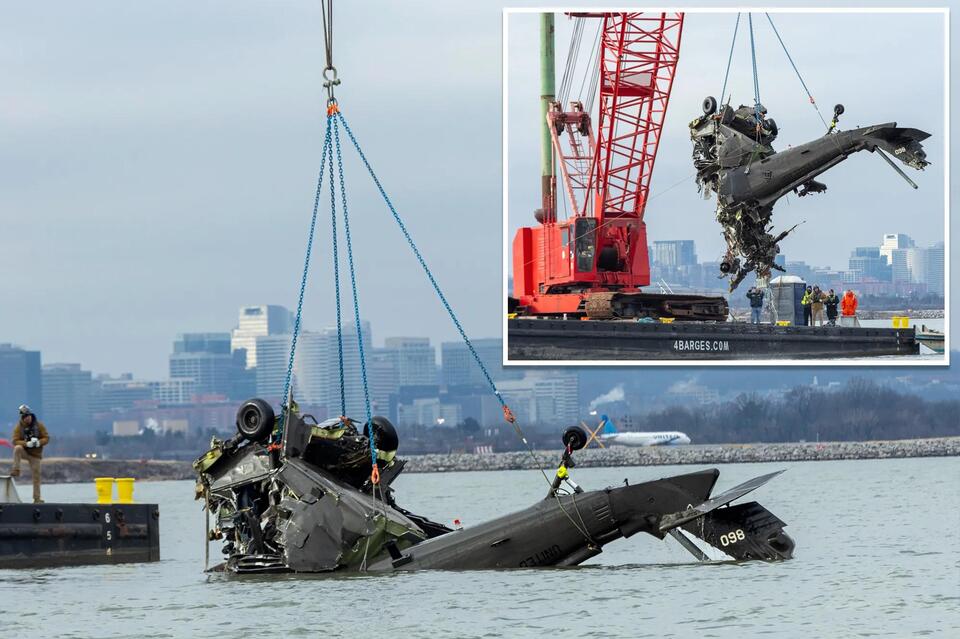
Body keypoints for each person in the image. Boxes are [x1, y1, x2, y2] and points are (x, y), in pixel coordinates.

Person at [10, 405, 49, 503]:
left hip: (36, 455)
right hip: (25, 451)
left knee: (36, 476)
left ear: (31, 415)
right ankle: (16, 470)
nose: (26, 418)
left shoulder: (39, 425)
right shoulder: (19, 427)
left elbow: (47, 438)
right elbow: (14, 441)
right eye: (24, 417)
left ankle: (37, 498)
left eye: (28, 416)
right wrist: (26, 443)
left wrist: (39, 442)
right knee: (17, 448)